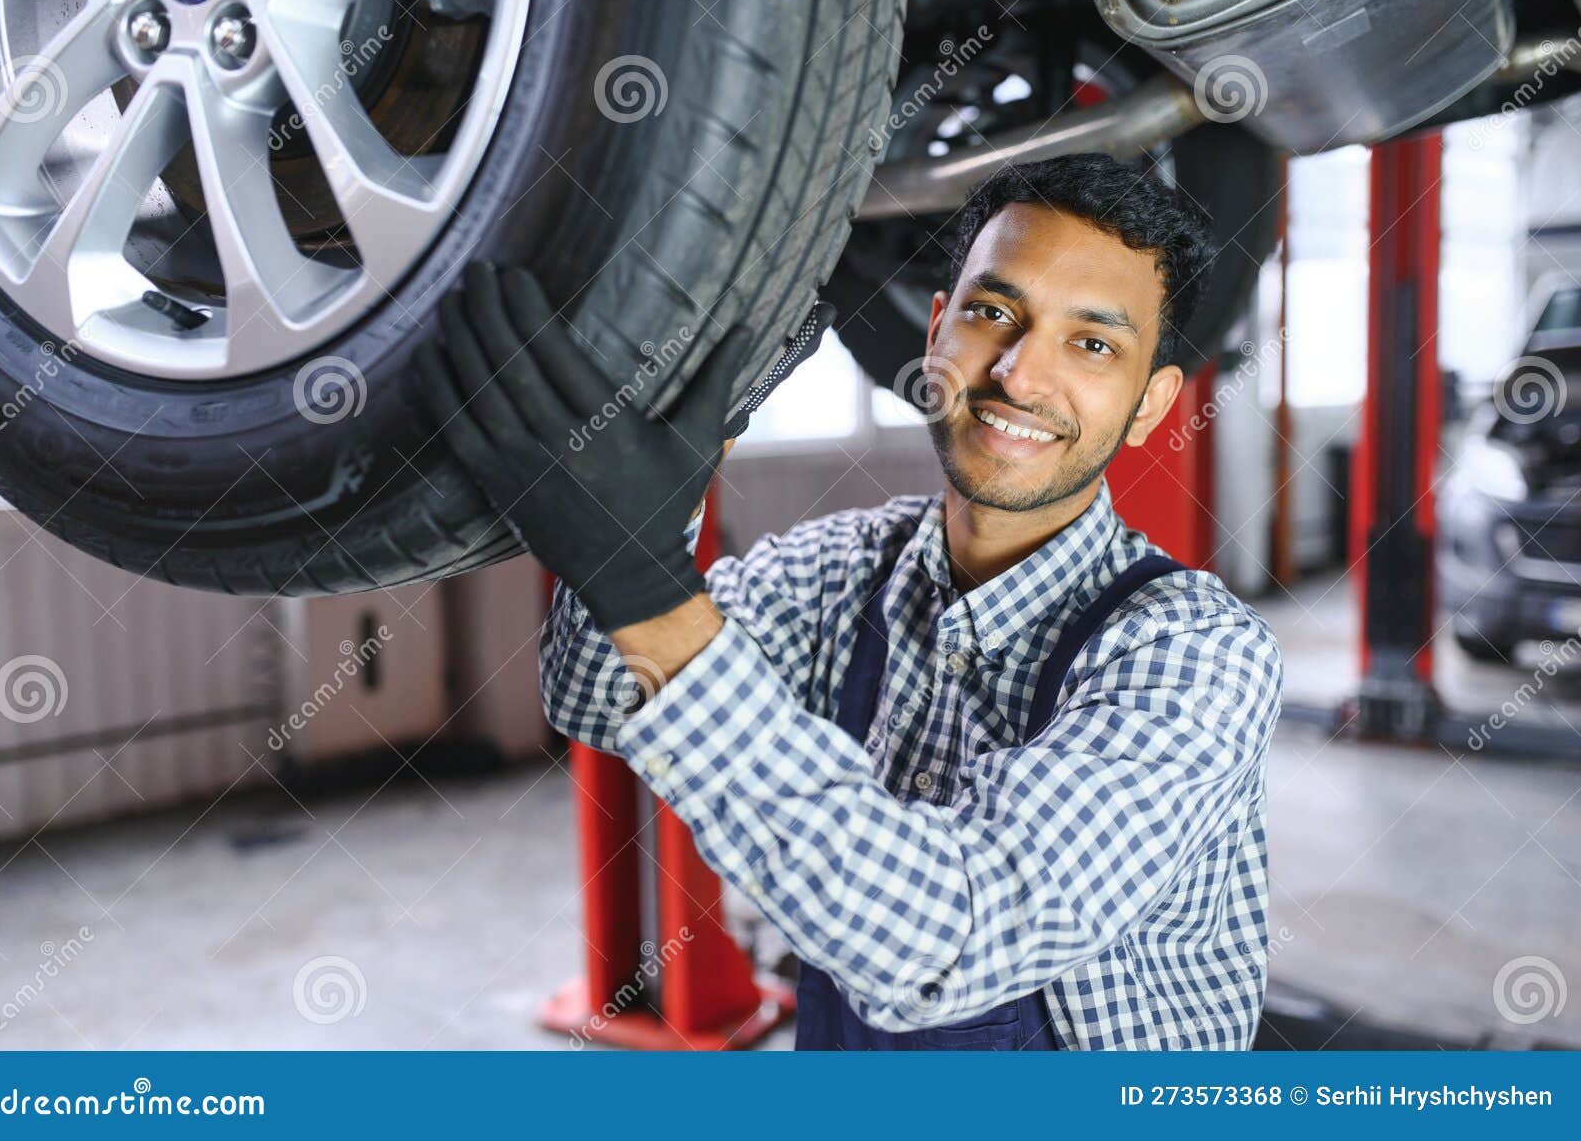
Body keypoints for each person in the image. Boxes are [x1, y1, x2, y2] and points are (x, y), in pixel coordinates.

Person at [418, 152, 1284, 1050]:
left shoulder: (1196, 654)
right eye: (993, 313)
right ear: (936, 331)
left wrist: (642, 589)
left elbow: (951, 946)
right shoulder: (847, 569)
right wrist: (653, 520)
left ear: (1150, 405)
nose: (1021, 376)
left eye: (1093, 343)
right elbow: (593, 698)